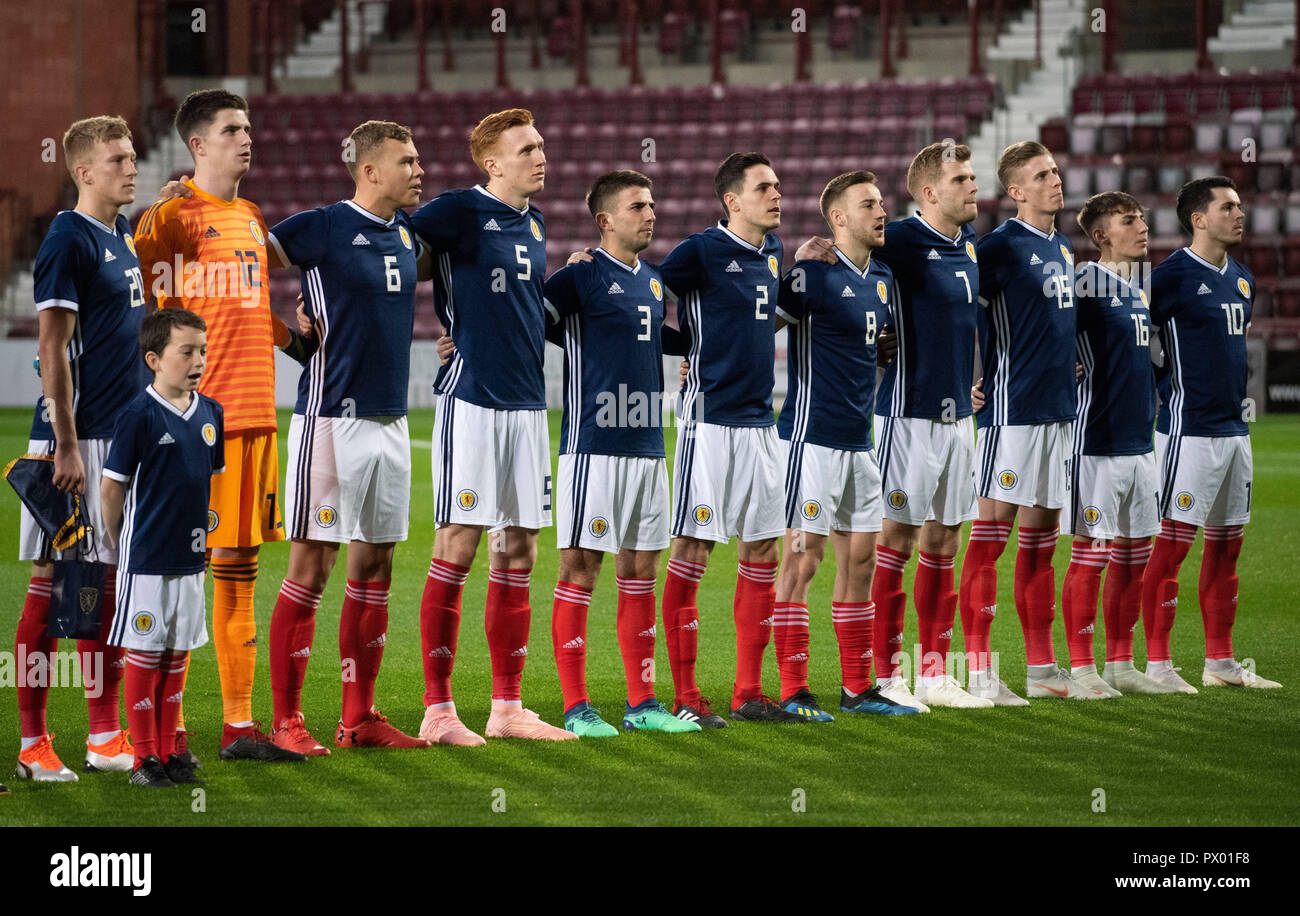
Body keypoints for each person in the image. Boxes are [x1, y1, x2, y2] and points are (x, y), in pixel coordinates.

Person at [133, 89, 308, 761]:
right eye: (231, 129)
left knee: (239, 571)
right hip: (195, 426)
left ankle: (238, 729)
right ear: (198, 144)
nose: (247, 138)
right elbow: (143, 301)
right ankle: (166, 734)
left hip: (257, 417)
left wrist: (297, 344)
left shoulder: (251, 216)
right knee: (178, 574)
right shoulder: (172, 218)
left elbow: (250, 304)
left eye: (249, 127)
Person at [265, 120, 432, 752]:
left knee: (377, 563)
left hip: (391, 421)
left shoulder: (408, 232)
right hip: (330, 420)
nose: (418, 170)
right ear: (369, 171)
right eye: (406, 162)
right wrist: (289, 336)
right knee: (314, 564)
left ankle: (359, 717)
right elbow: (242, 263)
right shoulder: (324, 226)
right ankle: (286, 722)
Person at [411, 108, 574, 742]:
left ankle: (507, 708)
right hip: (473, 401)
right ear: (493, 162)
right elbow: (385, 245)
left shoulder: (534, 222)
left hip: (529, 407)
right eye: (526, 147)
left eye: (541, 144)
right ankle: (437, 709)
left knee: (519, 549)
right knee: (460, 543)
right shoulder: (457, 210)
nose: (540, 155)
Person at [543, 170, 701, 736]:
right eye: (638, 206)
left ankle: (642, 704)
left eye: (653, 203)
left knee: (640, 572)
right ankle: (576, 706)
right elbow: (522, 322)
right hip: (594, 448)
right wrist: (456, 338)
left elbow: (662, 340)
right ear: (606, 220)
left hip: (645, 446)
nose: (651, 213)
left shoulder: (655, 283)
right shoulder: (578, 277)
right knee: (581, 570)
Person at [14, 116, 143, 783]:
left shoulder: (122, 234)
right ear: (83, 170)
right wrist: (64, 445)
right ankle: (33, 745)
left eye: (133, 156)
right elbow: (51, 345)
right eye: (118, 158)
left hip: (115, 440)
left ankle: (102, 735)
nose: (131, 166)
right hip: (72, 443)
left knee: (103, 590)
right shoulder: (68, 236)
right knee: (50, 587)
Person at [658, 152, 802, 725]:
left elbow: (773, 316)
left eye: (779, 185)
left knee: (763, 550)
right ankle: (686, 696)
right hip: (709, 420)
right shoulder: (697, 252)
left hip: (760, 423)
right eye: (764, 187)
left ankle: (748, 692)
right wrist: (683, 350)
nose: (777, 195)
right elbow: (639, 301)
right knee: (692, 551)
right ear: (732, 201)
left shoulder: (772, 252)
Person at [772, 170, 918, 720]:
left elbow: (867, 342)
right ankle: (793, 689)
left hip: (861, 440)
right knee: (802, 559)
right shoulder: (813, 272)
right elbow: (762, 325)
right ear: (837, 218)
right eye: (869, 205)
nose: (882, 213)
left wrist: (877, 349)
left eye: (881, 203)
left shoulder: (880, 278)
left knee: (861, 559)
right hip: (811, 439)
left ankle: (857, 689)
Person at [964, 140, 1106, 699]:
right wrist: (964, 382)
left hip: (1057, 414)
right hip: (1012, 415)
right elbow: (956, 313)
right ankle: (978, 671)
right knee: (990, 543)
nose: (1056, 180)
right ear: (1016, 191)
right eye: (1042, 174)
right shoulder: (997, 248)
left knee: (1044, 541)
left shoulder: (1062, 246)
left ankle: (1042, 671)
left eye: (1057, 170)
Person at [1142, 177, 1282, 690]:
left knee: (1227, 548)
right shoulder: (1171, 276)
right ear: (1199, 219)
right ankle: (1158, 666)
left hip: (1234, 431)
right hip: (1188, 432)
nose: (1240, 213)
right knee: (1172, 548)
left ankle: (1221, 664)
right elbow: (1132, 336)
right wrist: (1163, 387)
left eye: (1241, 205)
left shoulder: (1241, 278)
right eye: (1229, 206)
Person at [101, 307, 225, 787]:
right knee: (146, 652)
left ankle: (171, 748)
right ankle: (143, 758)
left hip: (191, 559)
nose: (198, 361)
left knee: (176, 653)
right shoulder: (137, 415)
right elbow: (112, 489)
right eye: (187, 352)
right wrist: (120, 544)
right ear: (154, 358)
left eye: (203, 351)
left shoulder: (212, 413)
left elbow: (207, 483)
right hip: (148, 560)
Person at [1061, 192, 1175, 695]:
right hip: (1097, 440)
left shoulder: (1141, 287)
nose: (1143, 228)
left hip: (1140, 442)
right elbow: (1047, 338)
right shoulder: (1085, 283)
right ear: (1102, 235)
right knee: (1092, 554)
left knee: (1135, 555)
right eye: (1130, 221)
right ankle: (1083, 668)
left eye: (1144, 219)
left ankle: (1120, 664)